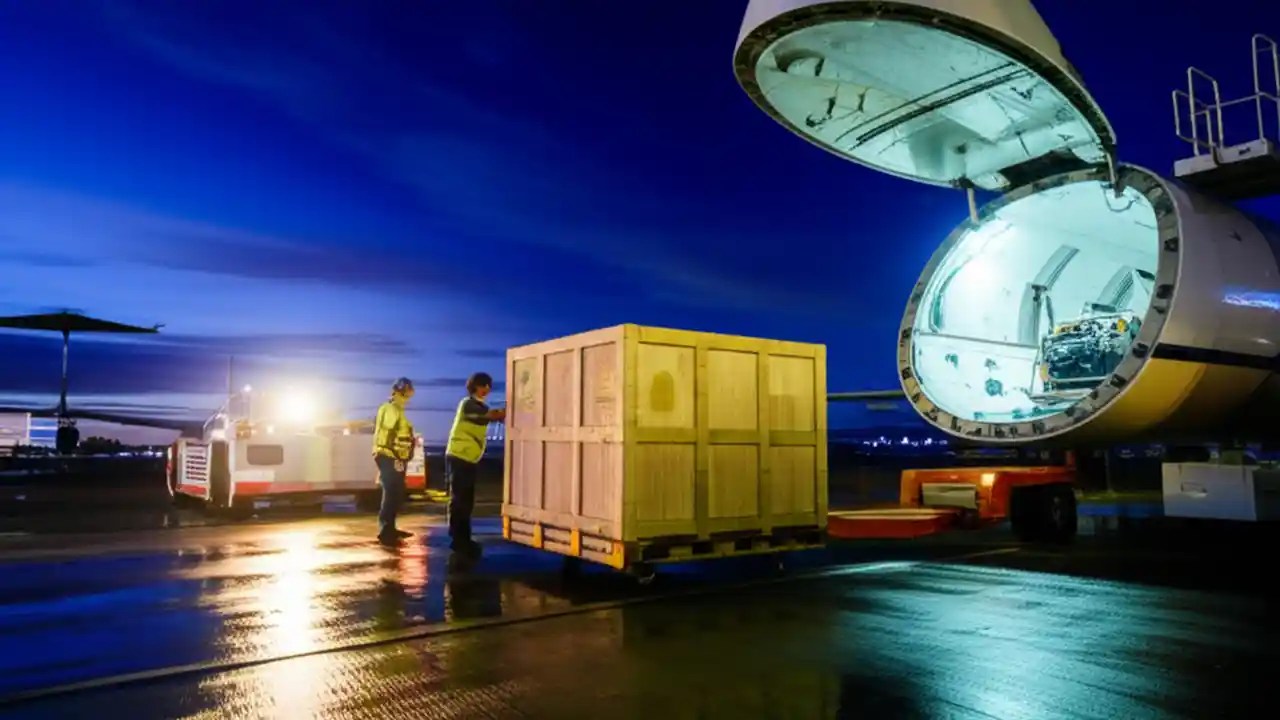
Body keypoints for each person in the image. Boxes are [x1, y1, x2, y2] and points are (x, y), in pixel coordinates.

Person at [445, 372, 506, 559]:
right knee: (460, 501)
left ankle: (463, 538)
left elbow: (493, 415)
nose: (487, 389)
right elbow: (492, 415)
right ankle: (458, 540)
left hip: (468, 458)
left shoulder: (479, 405)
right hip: (459, 456)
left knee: (466, 501)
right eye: (483, 385)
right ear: (474, 386)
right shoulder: (468, 404)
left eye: (489, 386)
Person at [373, 377, 417, 545]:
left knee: (395, 493)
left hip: (394, 455)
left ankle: (390, 527)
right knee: (391, 492)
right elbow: (389, 433)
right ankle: (386, 530)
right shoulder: (392, 409)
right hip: (390, 455)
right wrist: (398, 454)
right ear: (405, 390)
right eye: (409, 389)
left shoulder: (397, 408)